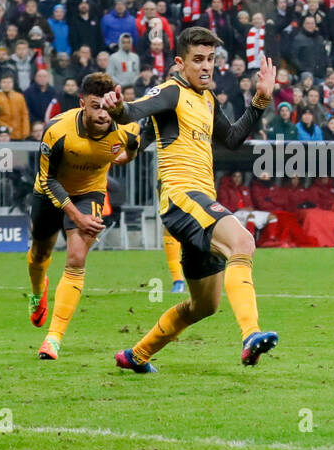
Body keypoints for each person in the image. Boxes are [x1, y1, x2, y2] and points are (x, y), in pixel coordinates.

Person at [100, 27, 278, 371]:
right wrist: (118, 108)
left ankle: (136, 355)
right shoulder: (171, 91)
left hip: (197, 203)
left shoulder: (208, 100)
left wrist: (261, 99)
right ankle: (251, 335)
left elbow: (233, 139)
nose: (207, 66)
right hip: (181, 197)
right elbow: (134, 111)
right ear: (180, 63)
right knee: (242, 241)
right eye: (198, 60)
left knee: (204, 305)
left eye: (211, 59)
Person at [26, 73, 144, 361]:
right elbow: (49, 179)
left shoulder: (127, 128)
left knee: (77, 257)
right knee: (40, 255)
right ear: (82, 104)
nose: (103, 113)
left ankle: (53, 339)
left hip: (90, 193)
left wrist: (121, 159)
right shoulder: (56, 129)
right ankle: (36, 290)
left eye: (107, 106)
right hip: (49, 192)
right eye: (95, 106)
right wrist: (76, 217)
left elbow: (132, 150)